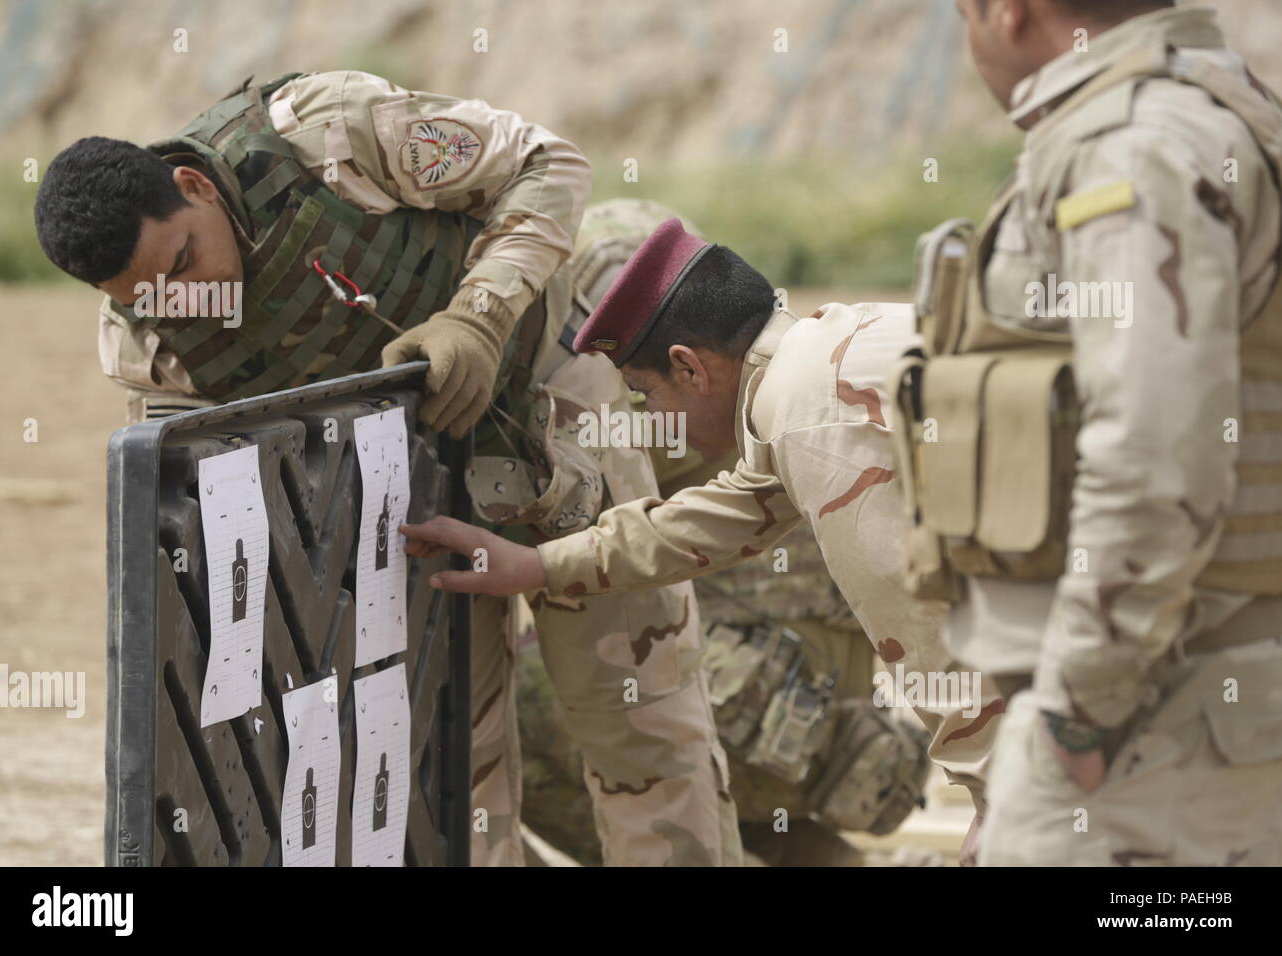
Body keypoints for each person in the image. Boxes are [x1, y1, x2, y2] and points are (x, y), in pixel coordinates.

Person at [33, 70, 740, 866]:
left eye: (185, 260)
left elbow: (549, 165)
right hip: (404, 499)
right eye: (150, 296)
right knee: (450, 770)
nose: (183, 300)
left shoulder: (326, 136)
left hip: (547, 400)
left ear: (193, 185)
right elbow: (199, 505)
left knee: (641, 719)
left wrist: (479, 318)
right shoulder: (147, 348)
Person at [400, 219, 1004, 847]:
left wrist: (996, 802)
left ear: (688, 368)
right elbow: (715, 520)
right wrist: (536, 566)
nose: (653, 421)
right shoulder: (815, 358)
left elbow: (930, 630)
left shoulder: (811, 423)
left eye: (644, 395)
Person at [893, 0, 1282, 864]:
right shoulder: (1210, 108)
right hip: (1206, 698)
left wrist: (1082, 706)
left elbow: (1156, 442)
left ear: (1007, 12)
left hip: (1155, 717)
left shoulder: (1130, 141)